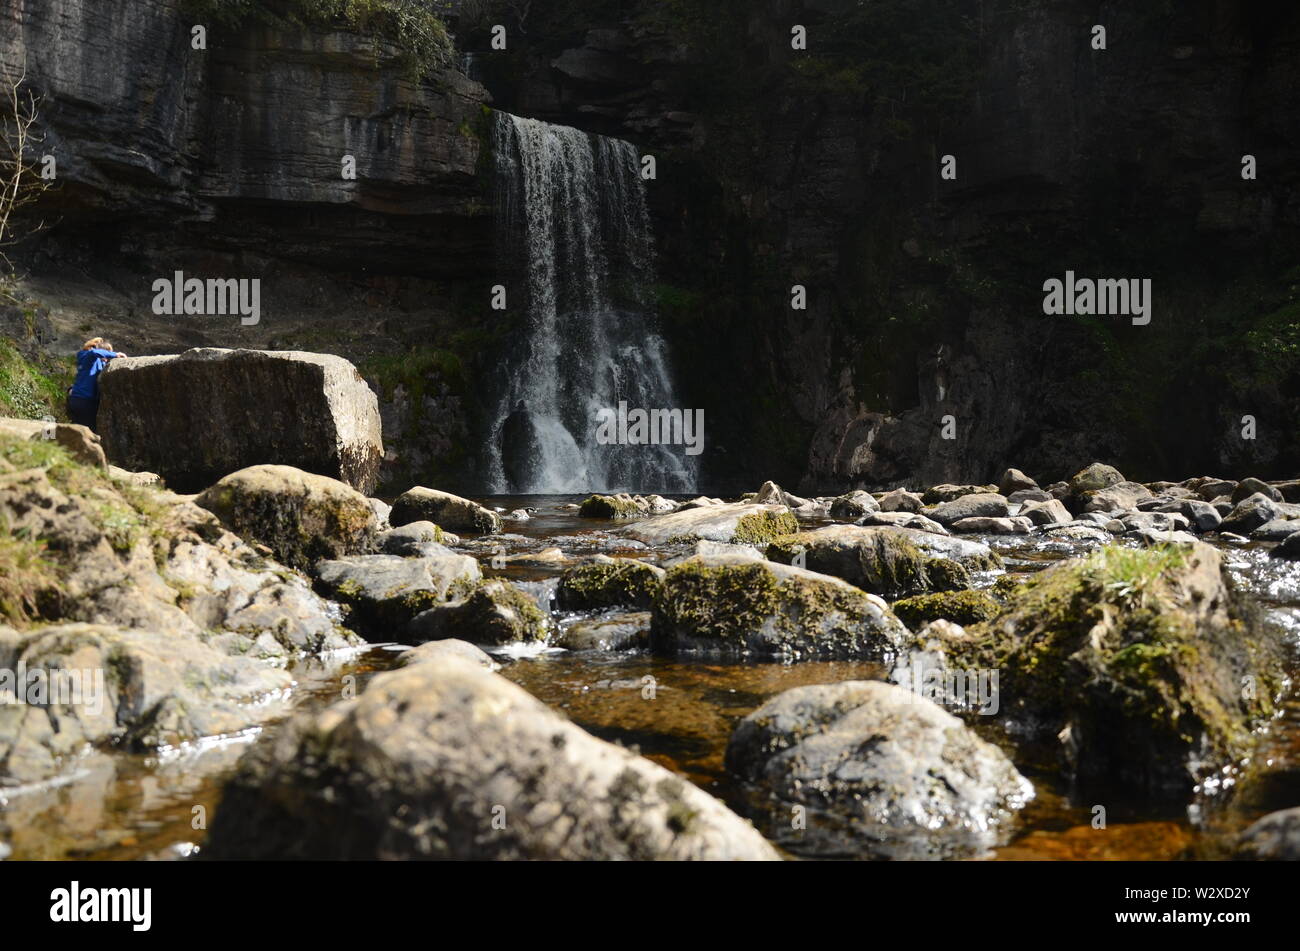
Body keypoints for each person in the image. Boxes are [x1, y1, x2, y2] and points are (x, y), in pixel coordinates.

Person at [67, 337, 127, 432]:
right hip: (85, 401)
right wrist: (115, 354)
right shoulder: (90, 357)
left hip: (76, 399)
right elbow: (94, 353)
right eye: (107, 356)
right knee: (89, 433)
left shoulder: (86, 358)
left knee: (77, 430)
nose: (107, 359)